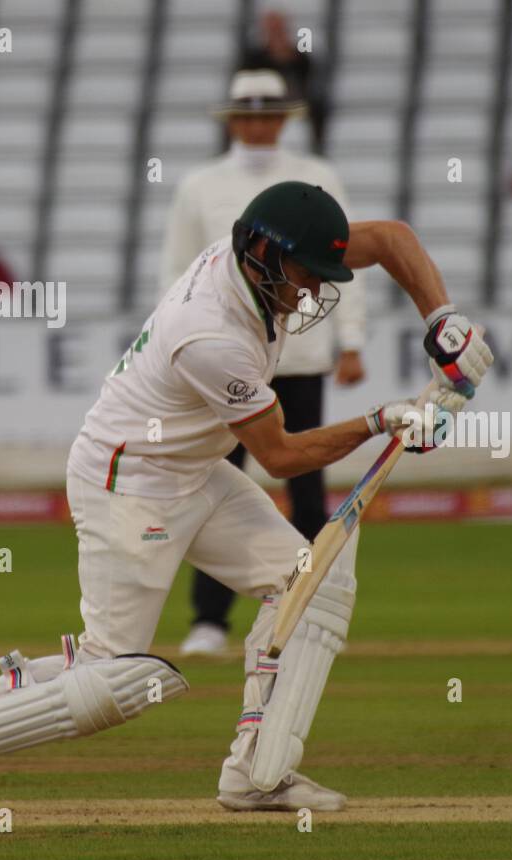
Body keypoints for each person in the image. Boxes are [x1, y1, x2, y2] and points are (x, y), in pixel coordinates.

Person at [0, 180, 494, 814]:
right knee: (113, 678)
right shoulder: (210, 335)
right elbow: (280, 456)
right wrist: (381, 421)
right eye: (307, 275)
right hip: (130, 485)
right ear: (266, 254)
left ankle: (257, 772)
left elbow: (389, 239)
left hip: (190, 468)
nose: (311, 291)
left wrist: (442, 321)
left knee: (314, 583)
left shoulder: (261, 259)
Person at [162, 69, 368, 658]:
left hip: (300, 355)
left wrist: (351, 341)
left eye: (269, 115)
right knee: (213, 486)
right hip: (223, 360)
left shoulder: (318, 175)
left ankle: (309, 613)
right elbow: (176, 270)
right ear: (234, 121)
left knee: (306, 490)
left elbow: (341, 264)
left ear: (284, 119)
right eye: (249, 116)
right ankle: (209, 621)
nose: (259, 126)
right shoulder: (199, 185)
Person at [242, 9, 328, 155]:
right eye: (271, 29)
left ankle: (317, 151)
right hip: (263, 106)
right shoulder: (254, 58)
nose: (275, 33)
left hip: (296, 108)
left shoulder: (300, 57)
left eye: (278, 28)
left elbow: (308, 84)